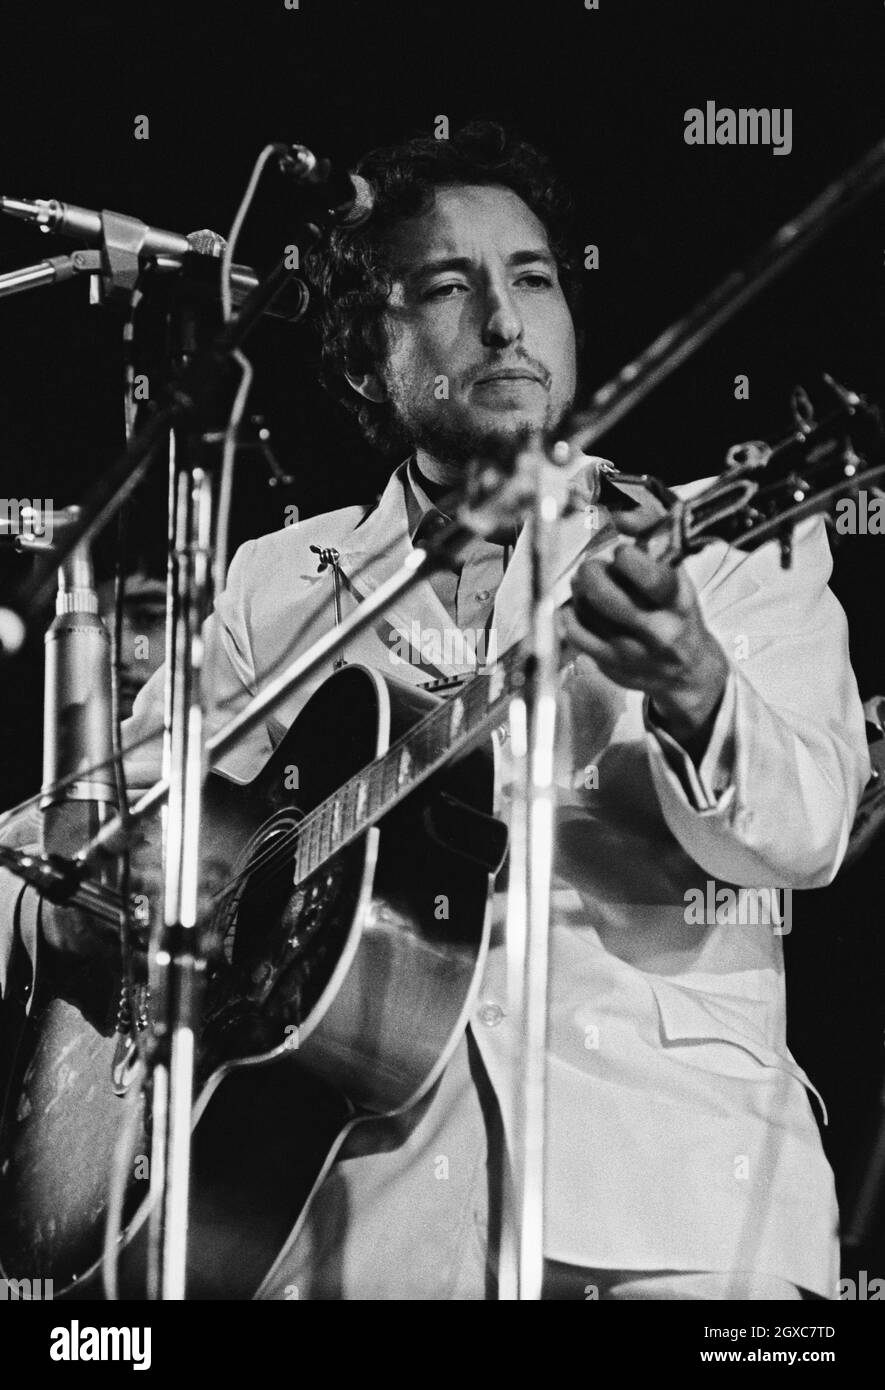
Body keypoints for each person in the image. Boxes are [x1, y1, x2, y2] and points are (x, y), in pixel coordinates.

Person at [0, 122, 870, 1300]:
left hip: (675, 1215)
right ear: (366, 355)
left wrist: (693, 683)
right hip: (336, 1223)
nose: (508, 323)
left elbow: (806, 828)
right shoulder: (269, 583)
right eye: (452, 287)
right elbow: (72, 845)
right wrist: (83, 921)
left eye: (535, 279)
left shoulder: (716, 548)